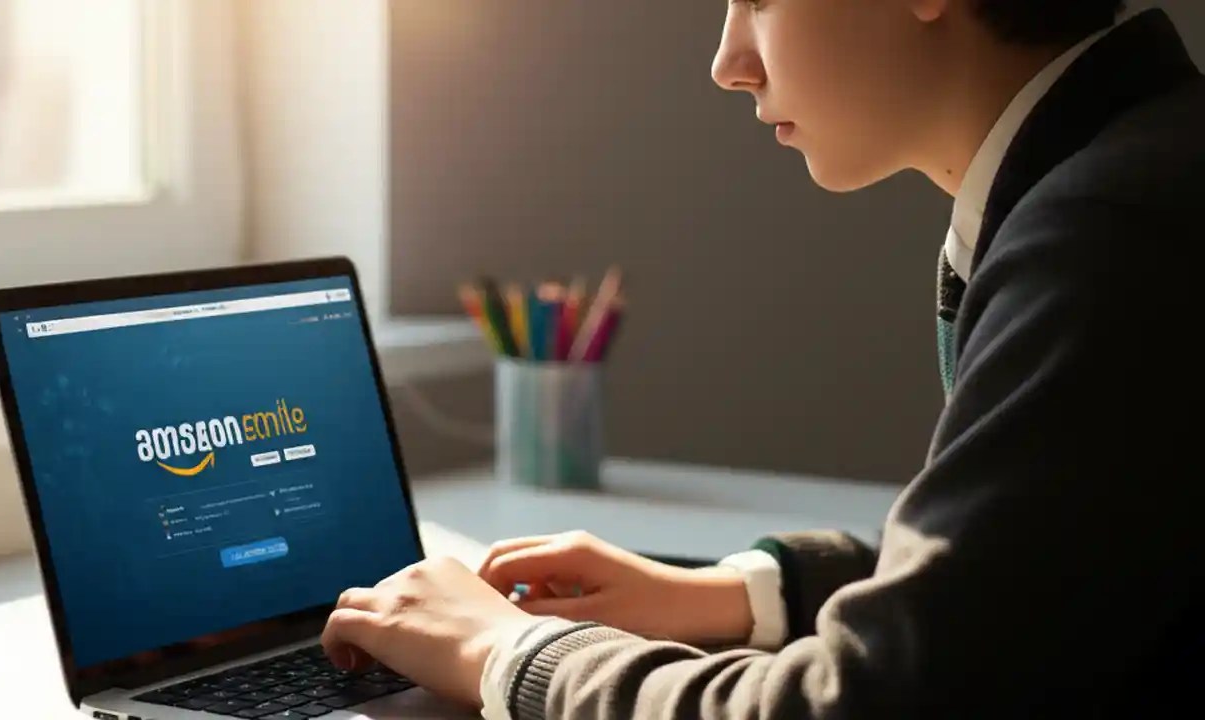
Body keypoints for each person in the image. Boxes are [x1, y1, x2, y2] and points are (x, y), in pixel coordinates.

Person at [322, 1, 1205, 717]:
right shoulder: (1128, 175)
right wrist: (734, 597)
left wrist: (505, 652)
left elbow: (872, 702)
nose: (728, 60)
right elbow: (1029, 584)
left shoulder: (1107, 238)